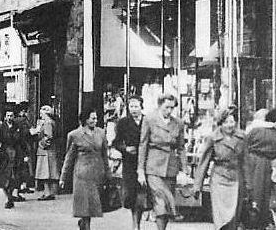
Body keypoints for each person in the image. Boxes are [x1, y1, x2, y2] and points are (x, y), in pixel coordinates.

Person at [138, 93, 185, 230]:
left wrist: (184, 171)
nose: (169, 111)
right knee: (160, 202)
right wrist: (140, 170)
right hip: (154, 167)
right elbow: (143, 145)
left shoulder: (178, 123)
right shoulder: (149, 120)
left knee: (166, 205)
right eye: (166, 107)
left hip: (170, 167)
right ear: (159, 106)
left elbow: (181, 148)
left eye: (172, 108)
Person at [193, 106, 246, 230]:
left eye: (232, 122)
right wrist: (197, 185)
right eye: (226, 122)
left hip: (235, 178)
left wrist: (249, 184)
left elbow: (246, 161)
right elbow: (204, 163)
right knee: (221, 215)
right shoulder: (212, 138)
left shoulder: (242, 137)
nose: (229, 125)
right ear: (220, 123)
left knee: (234, 214)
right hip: (219, 178)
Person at [60, 108, 109, 230]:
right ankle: (86, 226)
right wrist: (63, 177)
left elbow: (105, 155)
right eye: (93, 118)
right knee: (84, 205)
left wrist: (108, 173)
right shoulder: (74, 135)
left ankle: (84, 223)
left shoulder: (101, 133)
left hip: (97, 173)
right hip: (81, 174)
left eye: (96, 118)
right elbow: (69, 157)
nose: (96, 120)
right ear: (86, 120)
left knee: (92, 205)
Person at [244, 108, 276, 230]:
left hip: (251, 164)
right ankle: (262, 222)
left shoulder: (254, 131)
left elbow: (244, 147)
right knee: (265, 197)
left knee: (253, 195)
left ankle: (250, 222)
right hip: (269, 166)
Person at [113, 95, 146, 230]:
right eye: (131, 106)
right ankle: (135, 224)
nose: (133, 109)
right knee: (132, 194)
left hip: (145, 161)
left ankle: (138, 221)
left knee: (143, 193)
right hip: (130, 163)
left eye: (136, 106)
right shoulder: (123, 122)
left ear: (141, 107)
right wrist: (125, 149)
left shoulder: (147, 121)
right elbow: (116, 142)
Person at [0, 107, 26, 208]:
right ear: (5, 117)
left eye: (11, 115)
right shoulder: (1, 127)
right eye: (7, 115)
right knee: (3, 178)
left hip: (16, 154)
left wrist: (25, 154)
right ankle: (8, 198)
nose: (9, 117)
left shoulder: (18, 126)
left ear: (14, 116)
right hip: (4, 154)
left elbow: (22, 141)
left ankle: (10, 197)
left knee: (14, 177)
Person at [33, 105, 60, 201]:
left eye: (41, 113)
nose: (40, 115)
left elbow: (48, 136)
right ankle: (49, 192)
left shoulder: (47, 122)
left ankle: (48, 193)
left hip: (46, 151)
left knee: (45, 172)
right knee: (47, 172)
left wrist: (41, 144)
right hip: (49, 151)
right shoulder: (50, 122)